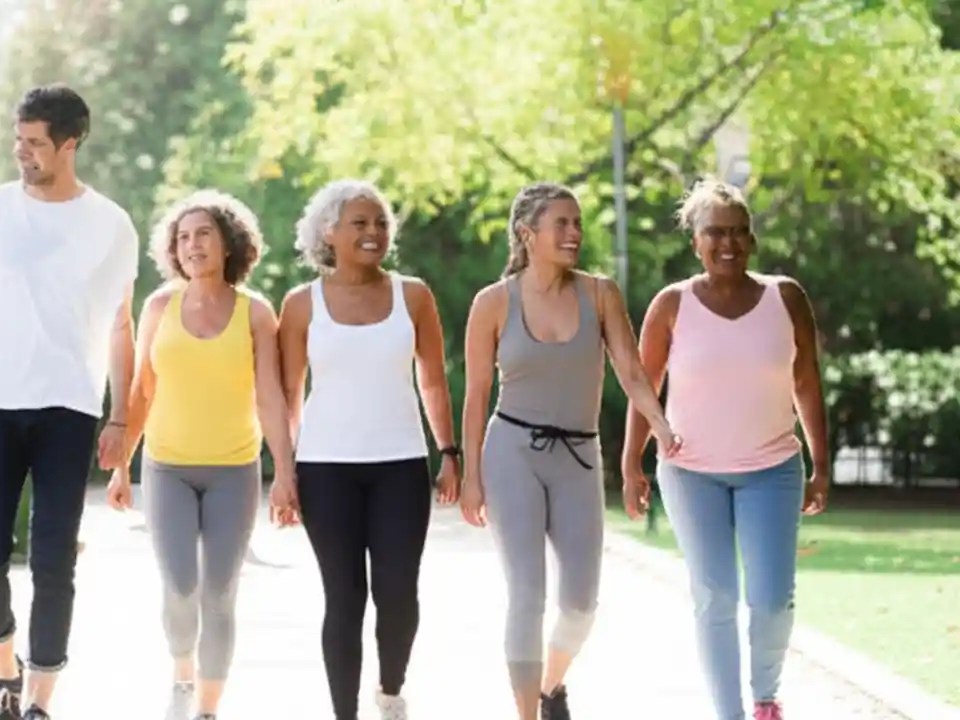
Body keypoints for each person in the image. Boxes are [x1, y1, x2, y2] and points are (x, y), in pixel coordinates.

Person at [0, 85, 139, 720]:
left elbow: (121, 327)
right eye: (19, 141)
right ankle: (4, 668)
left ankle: (37, 701)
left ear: (71, 144)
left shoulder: (111, 224)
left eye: (36, 143)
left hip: (68, 404)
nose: (23, 154)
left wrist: (122, 417)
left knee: (53, 559)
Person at [459, 182, 680, 720]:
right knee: (527, 592)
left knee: (580, 604)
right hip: (512, 450)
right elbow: (476, 396)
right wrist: (469, 474)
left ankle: (551, 685)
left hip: (579, 458)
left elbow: (631, 370)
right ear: (527, 234)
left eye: (578, 223)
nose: (574, 233)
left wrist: (662, 427)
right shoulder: (493, 303)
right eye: (562, 223)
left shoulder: (599, 293)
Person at [621, 179, 829, 720]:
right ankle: (730, 715)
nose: (728, 244)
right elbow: (645, 386)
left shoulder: (786, 297)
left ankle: (765, 697)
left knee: (771, 599)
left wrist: (821, 464)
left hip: (772, 468)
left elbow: (806, 382)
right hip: (691, 473)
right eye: (715, 233)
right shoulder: (672, 304)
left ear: (752, 240)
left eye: (739, 232)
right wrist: (630, 463)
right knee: (714, 596)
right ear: (696, 241)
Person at [104, 189, 297, 720]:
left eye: (204, 234)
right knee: (181, 589)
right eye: (183, 237)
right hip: (167, 467)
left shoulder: (256, 313)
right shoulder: (158, 306)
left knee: (220, 592)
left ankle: (208, 708)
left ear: (229, 243)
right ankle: (181, 669)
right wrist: (123, 466)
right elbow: (143, 389)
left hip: (234, 469)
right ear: (174, 249)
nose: (193, 245)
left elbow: (271, 397)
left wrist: (284, 471)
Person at [277, 178, 460, 720]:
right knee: (344, 596)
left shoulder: (415, 295)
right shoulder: (300, 305)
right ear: (328, 233)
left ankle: (390, 690)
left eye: (380, 222)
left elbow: (433, 380)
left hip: (400, 465)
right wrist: (284, 472)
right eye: (360, 223)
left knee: (399, 593)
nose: (373, 232)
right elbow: (289, 396)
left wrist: (448, 452)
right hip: (324, 468)